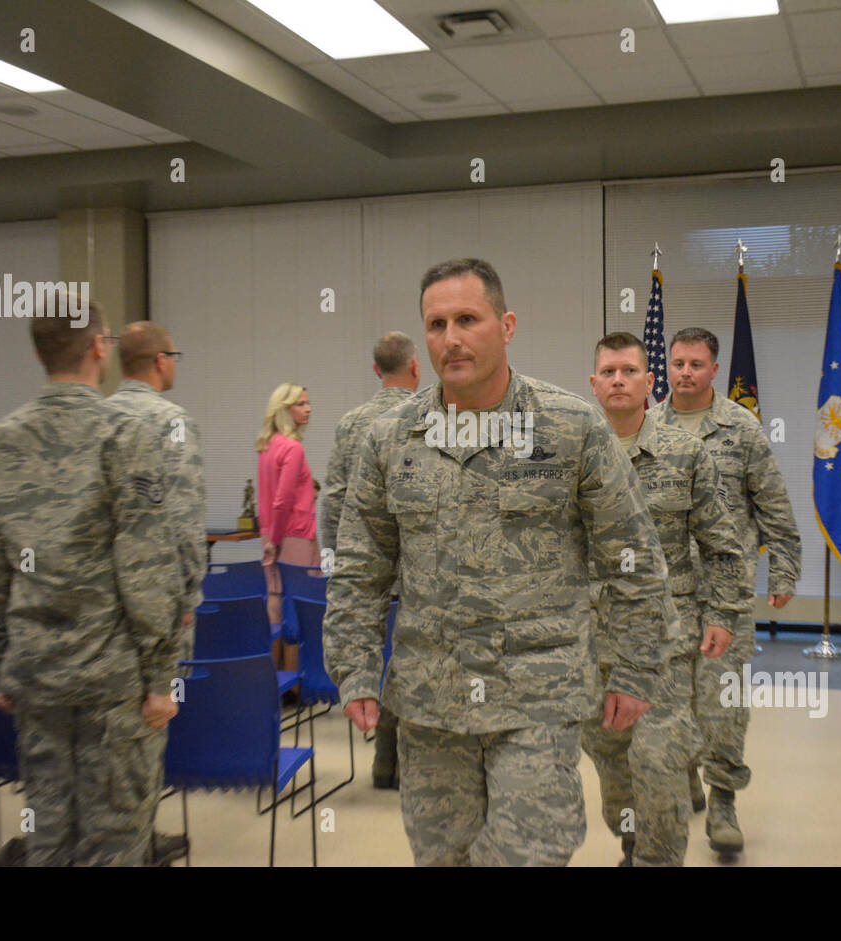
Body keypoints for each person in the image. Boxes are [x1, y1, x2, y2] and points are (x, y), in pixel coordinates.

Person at [323, 258, 676, 866]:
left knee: (532, 850)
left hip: (539, 691)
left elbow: (630, 554)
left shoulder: (568, 426)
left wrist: (638, 667)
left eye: (468, 319)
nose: (451, 338)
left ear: (506, 325)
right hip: (431, 697)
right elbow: (361, 564)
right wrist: (354, 667)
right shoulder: (390, 439)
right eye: (436, 325)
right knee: (443, 857)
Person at [0, 295, 186, 866]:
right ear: (98, 348)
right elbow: (146, 566)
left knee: (48, 838)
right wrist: (162, 675)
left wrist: (2, 662)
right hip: (114, 684)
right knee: (115, 843)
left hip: (36, 678)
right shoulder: (128, 433)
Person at [585, 332, 750, 866]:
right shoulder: (570, 457)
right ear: (593, 383)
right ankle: (632, 843)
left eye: (629, 371)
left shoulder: (686, 453)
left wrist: (723, 613)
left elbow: (723, 546)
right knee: (612, 764)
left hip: (664, 643)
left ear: (648, 381)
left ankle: (657, 859)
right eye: (608, 371)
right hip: (593, 642)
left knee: (658, 761)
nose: (618, 380)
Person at [649, 326, 801, 856]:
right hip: (663, 593)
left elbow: (773, 504)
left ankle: (724, 799)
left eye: (696, 364)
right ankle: (684, 774)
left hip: (724, 592)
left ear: (715, 370)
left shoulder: (741, 429)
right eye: (678, 363)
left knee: (722, 699)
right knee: (668, 697)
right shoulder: (648, 428)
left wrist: (783, 570)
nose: (685, 372)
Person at [106, 321, 207, 866]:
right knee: (148, 733)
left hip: (103, 615)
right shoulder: (171, 423)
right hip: (156, 605)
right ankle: (137, 844)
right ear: (162, 361)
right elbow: (185, 524)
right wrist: (187, 599)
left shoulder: (97, 417)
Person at [320, 331, 420, 790]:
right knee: (411, 659)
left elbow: (335, 498)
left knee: (377, 656)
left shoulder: (351, 423)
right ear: (415, 369)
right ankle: (395, 758)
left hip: (365, 563)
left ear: (376, 371)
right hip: (417, 567)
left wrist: (339, 562)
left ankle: (383, 760)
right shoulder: (425, 419)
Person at [256, 383, 317, 680]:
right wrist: (277, 541)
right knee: (298, 608)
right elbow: (282, 499)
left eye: (307, 403)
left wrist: (270, 539)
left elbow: (266, 499)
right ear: (285, 409)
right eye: (301, 404)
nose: (308, 408)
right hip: (293, 535)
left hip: (273, 533)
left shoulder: (267, 446)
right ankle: (295, 684)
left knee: (276, 606)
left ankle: (273, 681)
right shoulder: (293, 448)